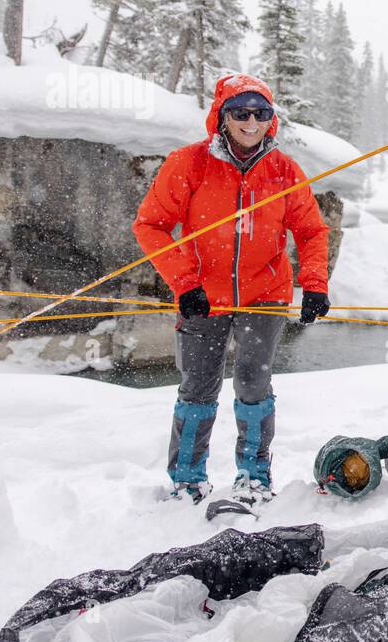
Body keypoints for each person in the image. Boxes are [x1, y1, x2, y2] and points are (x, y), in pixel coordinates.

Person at [133, 74, 332, 505]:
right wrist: (185, 283)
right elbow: (150, 225)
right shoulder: (189, 163)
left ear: (270, 120)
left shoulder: (283, 170)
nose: (250, 122)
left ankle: (254, 477)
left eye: (260, 113)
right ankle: (187, 480)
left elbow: (312, 231)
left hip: (266, 295)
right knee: (199, 388)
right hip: (202, 297)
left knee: (253, 384)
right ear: (222, 116)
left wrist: (313, 283)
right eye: (240, 112)